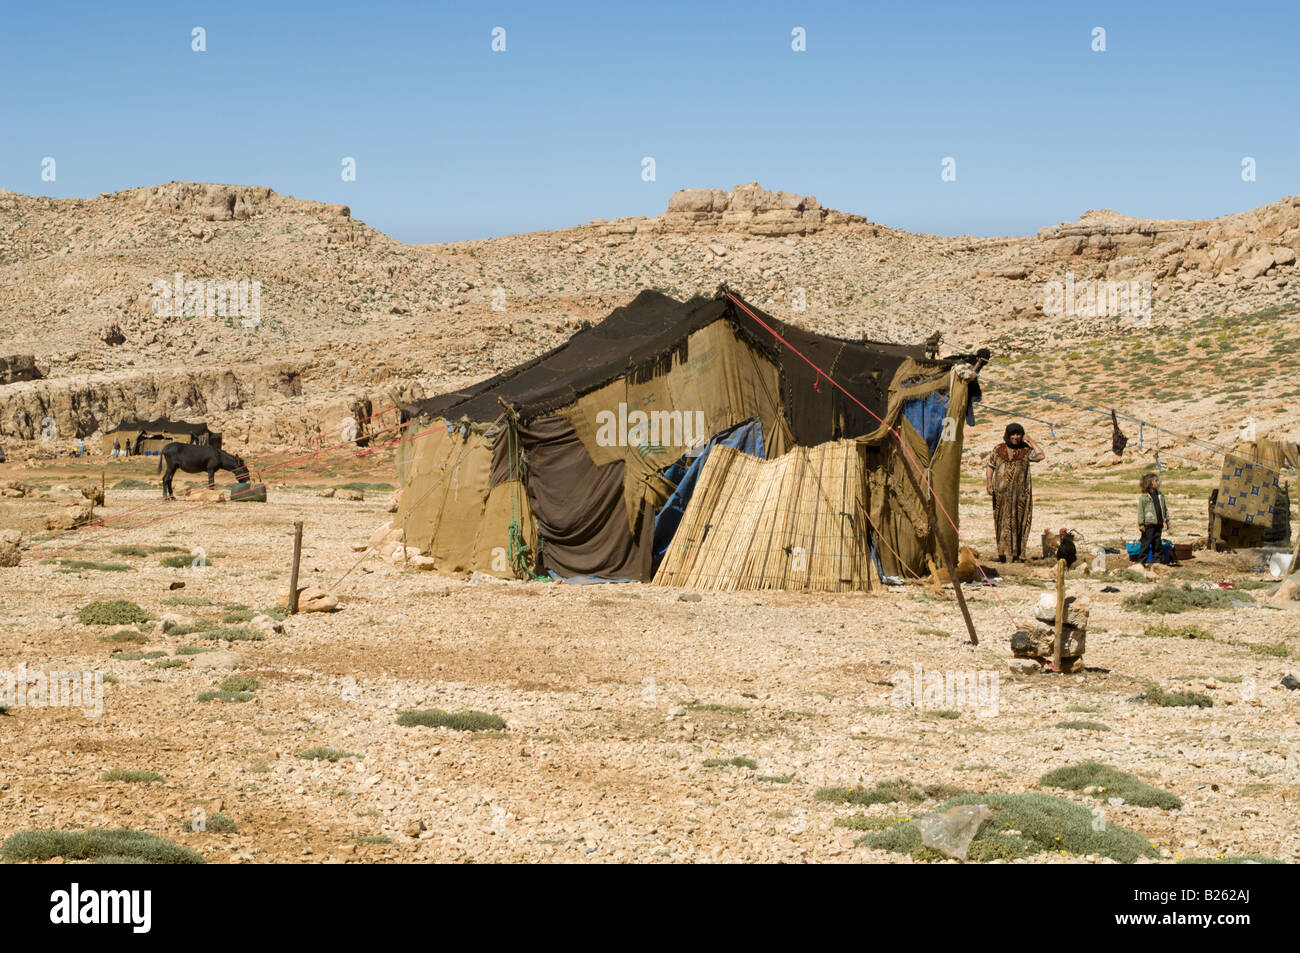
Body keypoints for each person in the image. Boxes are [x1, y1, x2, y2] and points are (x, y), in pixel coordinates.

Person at [984, 422, 1045, 562]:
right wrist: (989, 482)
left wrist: (1030, 440)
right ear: (1008, 435)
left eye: (1018, 434)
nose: (1016, 437)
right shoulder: (998, 449)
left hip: (1021, 496)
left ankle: (1018, 555)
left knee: (1020, 521)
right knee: (1002, 522)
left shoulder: (1025, 450)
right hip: (1001, 494)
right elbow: (990, 467)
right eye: (1013, 434)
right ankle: (1002, 555)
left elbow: (1041, 456)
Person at [1135, 471, 1171, 564]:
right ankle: (1141, 562)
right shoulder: (1144, 497)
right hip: (1148, 525)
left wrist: (1167, 520)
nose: (1158, 482)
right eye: (1156, 481)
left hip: (1158, 524)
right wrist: (1141, 524)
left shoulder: (1160, 495)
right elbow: (1141, 511)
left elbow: (1165, 508)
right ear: (1150, 483)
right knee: (1145, 544)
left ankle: (1157, 562)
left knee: (1157, 544)